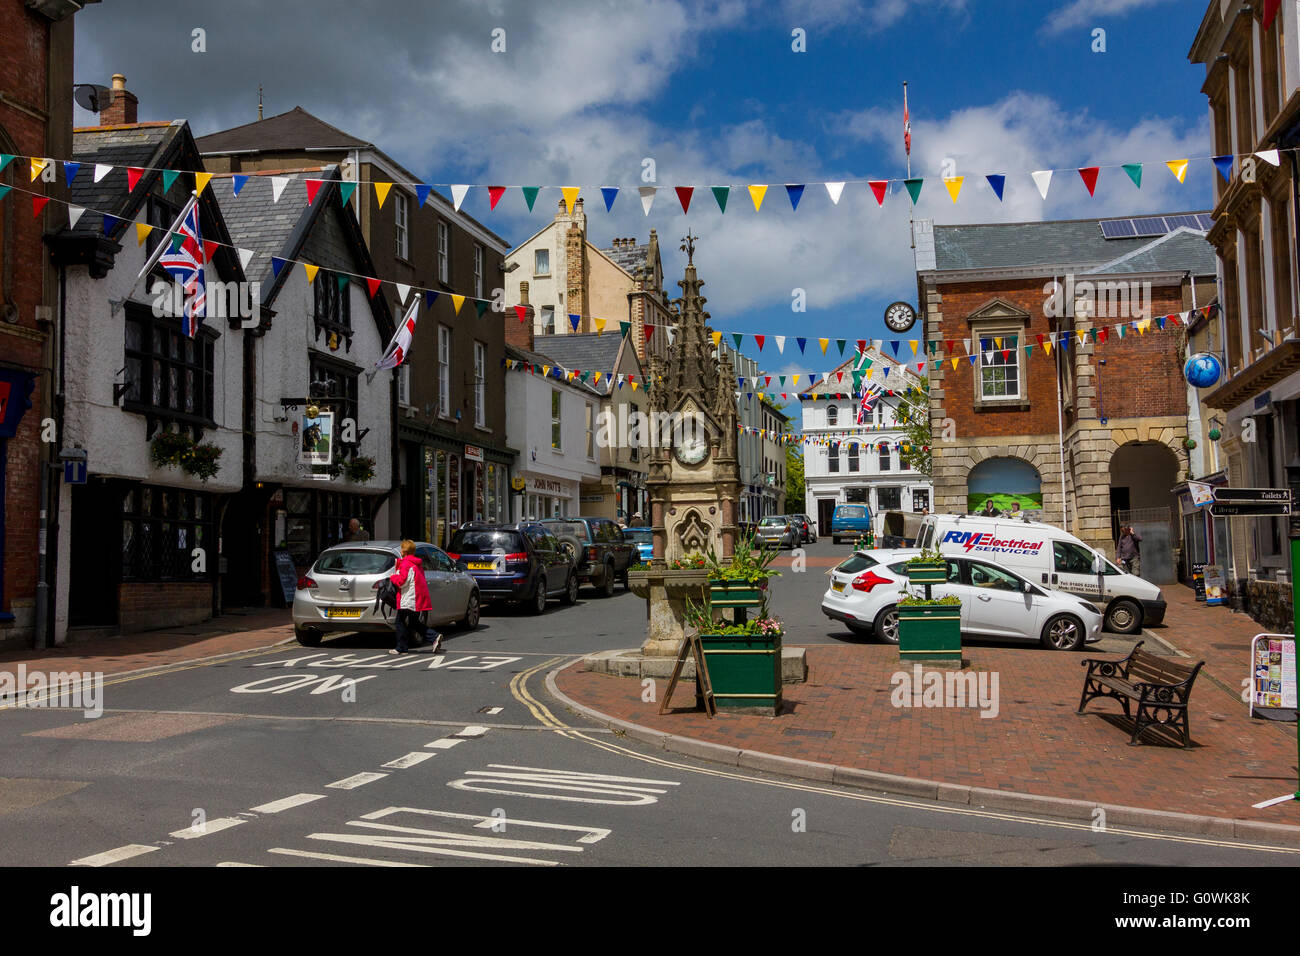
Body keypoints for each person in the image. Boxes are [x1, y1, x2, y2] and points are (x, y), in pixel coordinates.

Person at [387, 540, 441, 654]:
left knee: (399, 622)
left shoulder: (406, 563)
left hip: (409, 598)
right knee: (413, 623)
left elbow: (402, 581)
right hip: (416, 598)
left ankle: (401, 647)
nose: (400, 550)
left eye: (401, 548)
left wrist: (392, 577)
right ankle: (434, 637)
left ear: (404, 551)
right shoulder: (416, 563)